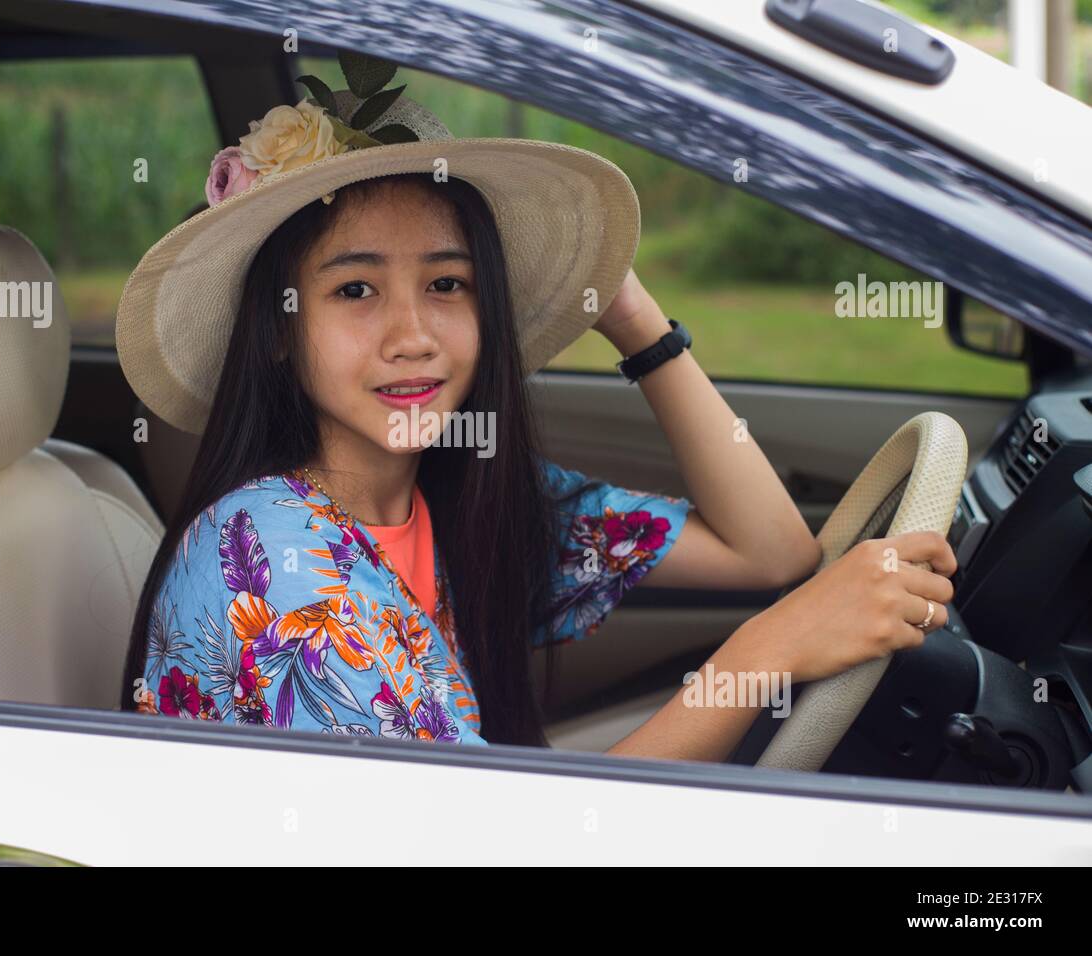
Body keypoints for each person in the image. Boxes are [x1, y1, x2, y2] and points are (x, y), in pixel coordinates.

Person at [114, 57, 956, 759]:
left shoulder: (459, 494)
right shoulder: (271, 561)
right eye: (356, 289)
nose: (413, 336)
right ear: (278, 332)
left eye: (449, 284)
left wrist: (634, 322)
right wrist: (770, 651)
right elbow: (502, 846)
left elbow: (768, 554)